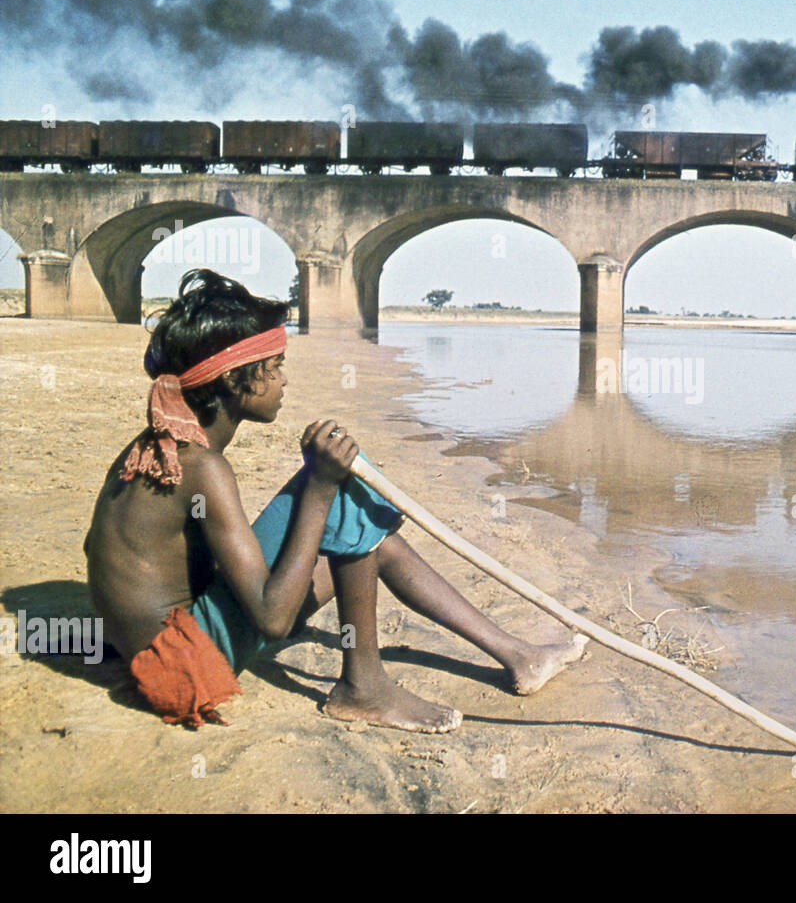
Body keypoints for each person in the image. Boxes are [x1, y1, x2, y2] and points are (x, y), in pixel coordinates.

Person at [84, 269, 586, 731]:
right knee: (338, 495)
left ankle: (517, 655)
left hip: (155, 650)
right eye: (275, 366)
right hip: (181, 668)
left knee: (363, 536)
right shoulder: (203, 467)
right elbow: (273, 620)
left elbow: (130, 557)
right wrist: (321, 487)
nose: (284, 379)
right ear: (236, 380)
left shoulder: (156, 445)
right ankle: (363, 688)